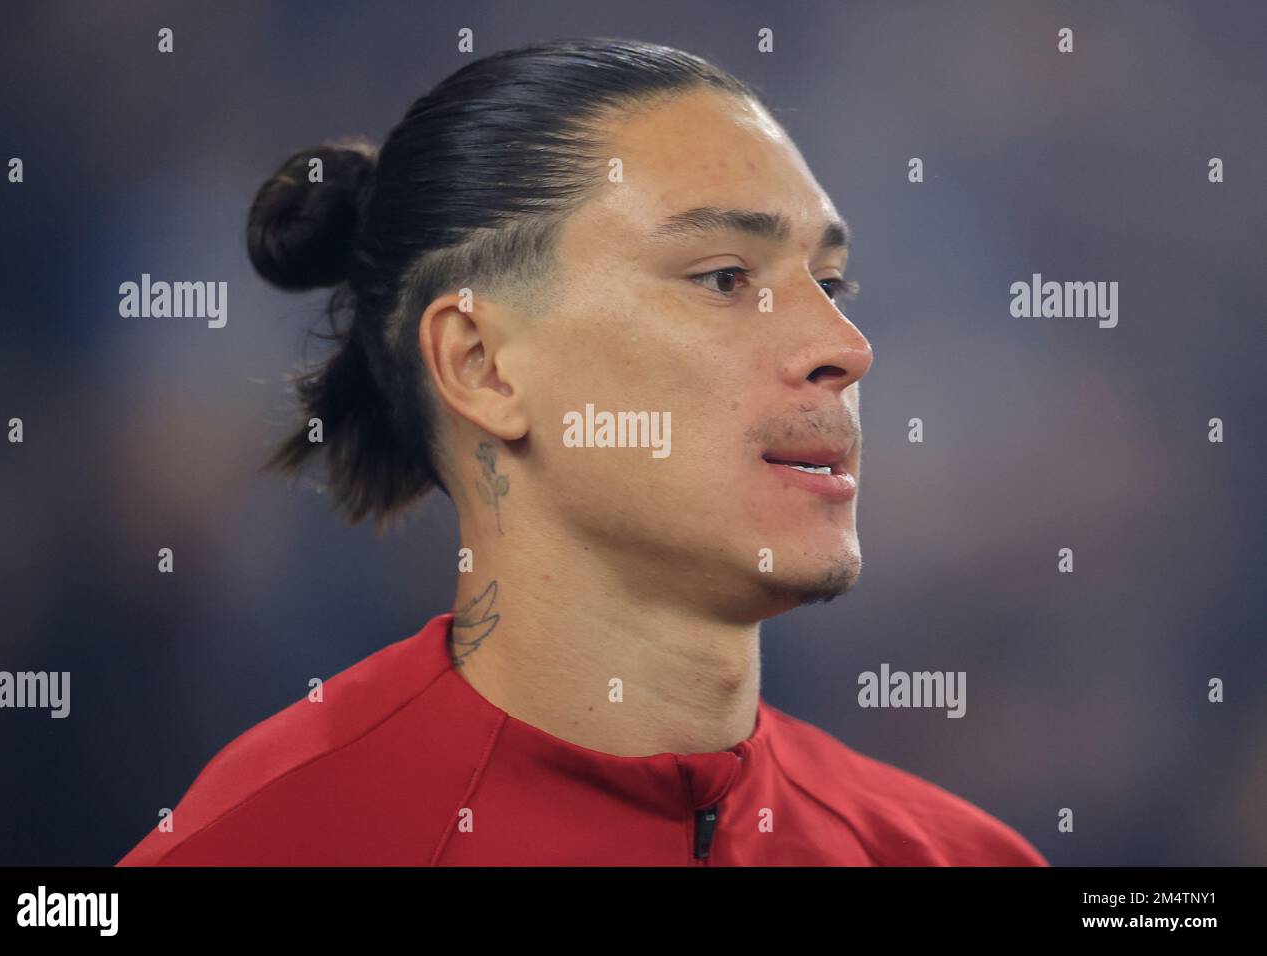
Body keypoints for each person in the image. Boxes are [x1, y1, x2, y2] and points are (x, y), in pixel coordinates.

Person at [118, 37, 1047, 866]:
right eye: (725, 277)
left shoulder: (959, 854)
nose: (846, 345)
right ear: (482, 366)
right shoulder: (264, 846)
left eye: (831, 281)